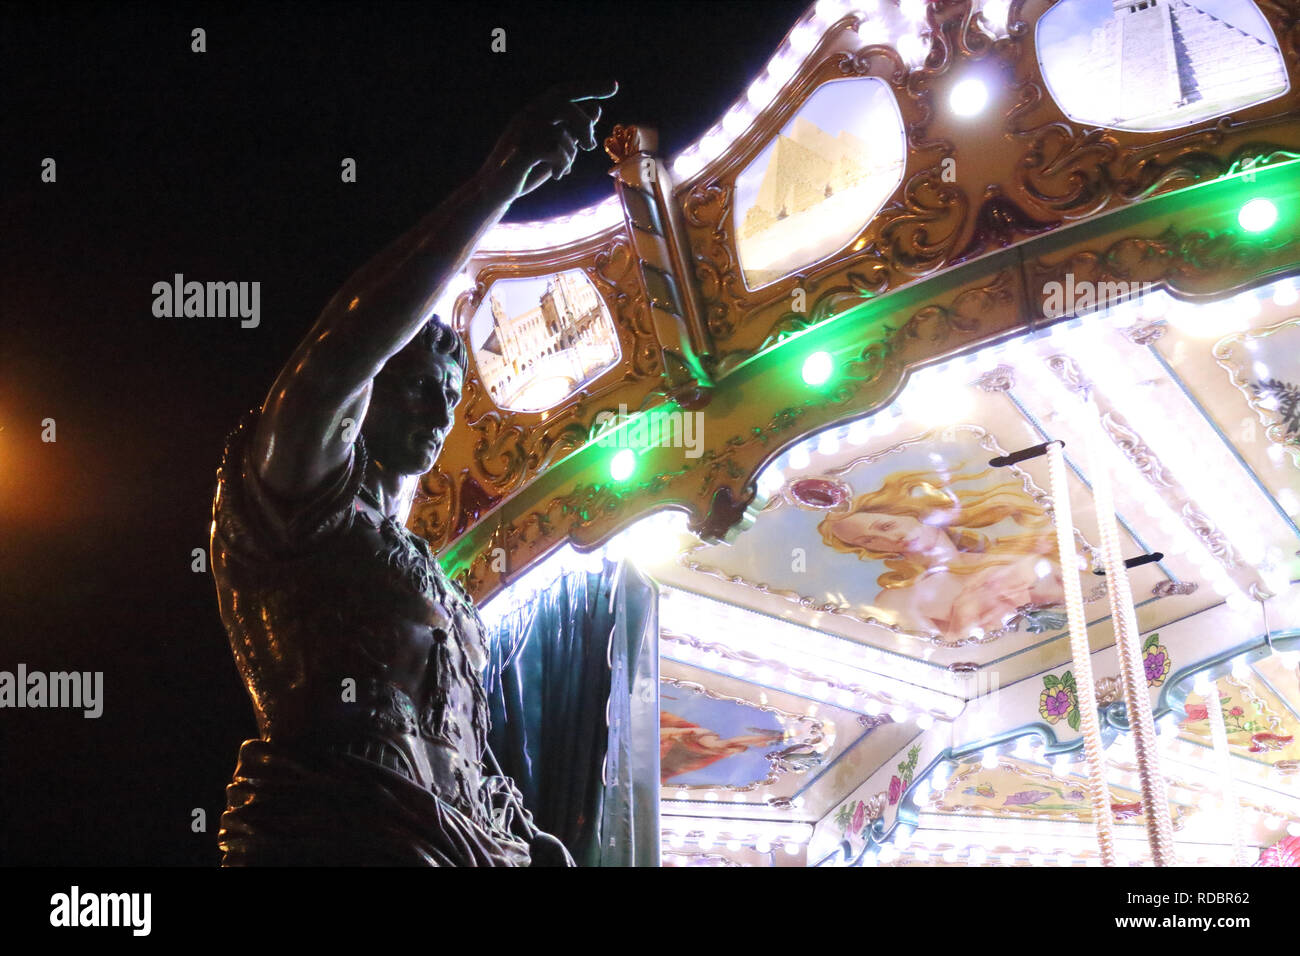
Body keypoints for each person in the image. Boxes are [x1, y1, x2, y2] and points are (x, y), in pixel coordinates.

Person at [209, 81, 617, 865]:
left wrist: (526, 838)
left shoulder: (439, 588)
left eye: (451, 394)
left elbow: (463, 750)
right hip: (349, 840)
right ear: (370, 391)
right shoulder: (299, 504)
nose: (438, 408)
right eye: (414, 384)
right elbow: (332, 364)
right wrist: (498, 183)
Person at [818, 468, 1066, 641]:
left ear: (914, 512)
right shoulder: (895, 600)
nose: (889, 540)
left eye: (886, 526)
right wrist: (963, 611)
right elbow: (943, 660)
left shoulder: (1010, 557)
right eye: (869, 540)